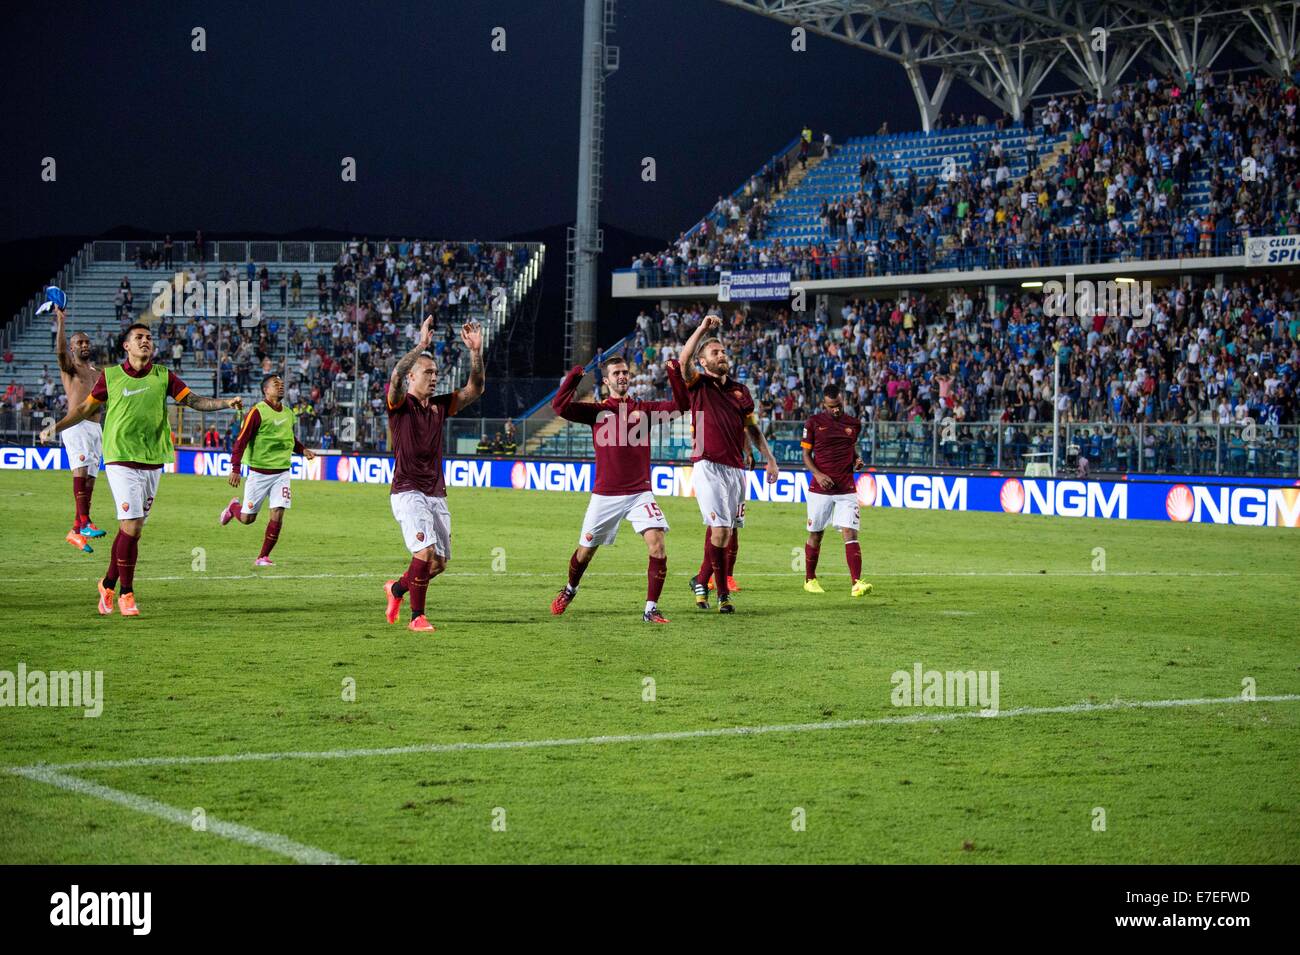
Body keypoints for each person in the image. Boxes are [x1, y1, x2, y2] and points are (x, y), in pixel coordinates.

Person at [40, 323, 242, 617]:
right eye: (139, 338)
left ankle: (107, 583)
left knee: (131, 531)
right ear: (127, 346)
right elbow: (84, 409)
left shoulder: (163, 376)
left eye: (148, 338)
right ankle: (127, 593)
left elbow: (194, 400)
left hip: (153, 460)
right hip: (120, 458)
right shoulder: (110, 377)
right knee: (132, 525)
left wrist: (226, 402)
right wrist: (54, 428)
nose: (145, 341)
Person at [549, 354, 687, 623]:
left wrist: (674, 373)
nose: (622, 376)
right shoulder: (597, 411)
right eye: (616, 373)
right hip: (605, 495)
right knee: (585, 552)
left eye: (625, 372)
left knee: (657, 545)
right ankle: (570, 589)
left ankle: (650, 609)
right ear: (606, 380)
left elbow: (682, 406)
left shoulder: (644, 410)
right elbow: (559, 406)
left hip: (639, 492)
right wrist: (576, 375)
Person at [666, 314, 779, 613]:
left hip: (735, 469)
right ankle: (723, 595)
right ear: (704, 362)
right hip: (707, 465)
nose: (722, 355)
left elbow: (752, 427)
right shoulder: (698, 384)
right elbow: (682, 358)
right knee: (719, 531)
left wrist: (769, 459)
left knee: (727, 532)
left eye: (723, 351)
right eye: (715, 353)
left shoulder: (741, 391)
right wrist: (703, 329)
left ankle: (701, 580)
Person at [382, 316, 484, 632]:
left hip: (435, 492)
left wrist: (476, 353)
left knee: (438, 563)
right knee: (424, 551)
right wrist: (422, 345)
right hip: (407, 490)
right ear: (413, 376)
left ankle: (396, 590)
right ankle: (417, 618)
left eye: (437, 373)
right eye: (429, 373)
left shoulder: (439, 406)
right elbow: (396, 374)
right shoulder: (399, 403)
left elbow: (475, 389)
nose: (435, 377)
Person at [219, 374, 316, 566]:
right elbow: (241, 440)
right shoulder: (257, 412)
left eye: (281, 384)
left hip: (281, 472)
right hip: (259, 473)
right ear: (266, 390)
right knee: (248, 519)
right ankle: (233, 508)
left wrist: (302, 449)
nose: (280, 387)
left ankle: (262, 557)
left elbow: (289, 439)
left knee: (278, 512)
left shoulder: (288, 413)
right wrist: (235, 468)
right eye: (275, 384)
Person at [801, 383, 872, 597]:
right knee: (816, 534)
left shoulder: (853, 424)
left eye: (839, 405)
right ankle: (809, 579)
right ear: (824, 404)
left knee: (850, 532)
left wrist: (856, 460)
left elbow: (849, 448)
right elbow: (806, 456)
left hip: (846, 487)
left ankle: (856, 583)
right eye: (832, 406)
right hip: (819, 489)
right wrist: (819, 475)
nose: (836, 410)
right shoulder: (813, 423)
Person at [53, 305, 106, 552]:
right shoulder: (70, 368)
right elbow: (60, 351)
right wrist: (61, 322)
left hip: (96, 429)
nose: (84, 345)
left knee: (91, 482)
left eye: (86, 342)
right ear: (73, 348)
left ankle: (76, 530)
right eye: (79, 343)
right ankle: (85, 522)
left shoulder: (98, 373)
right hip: (76, 425)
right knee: (81, 473)